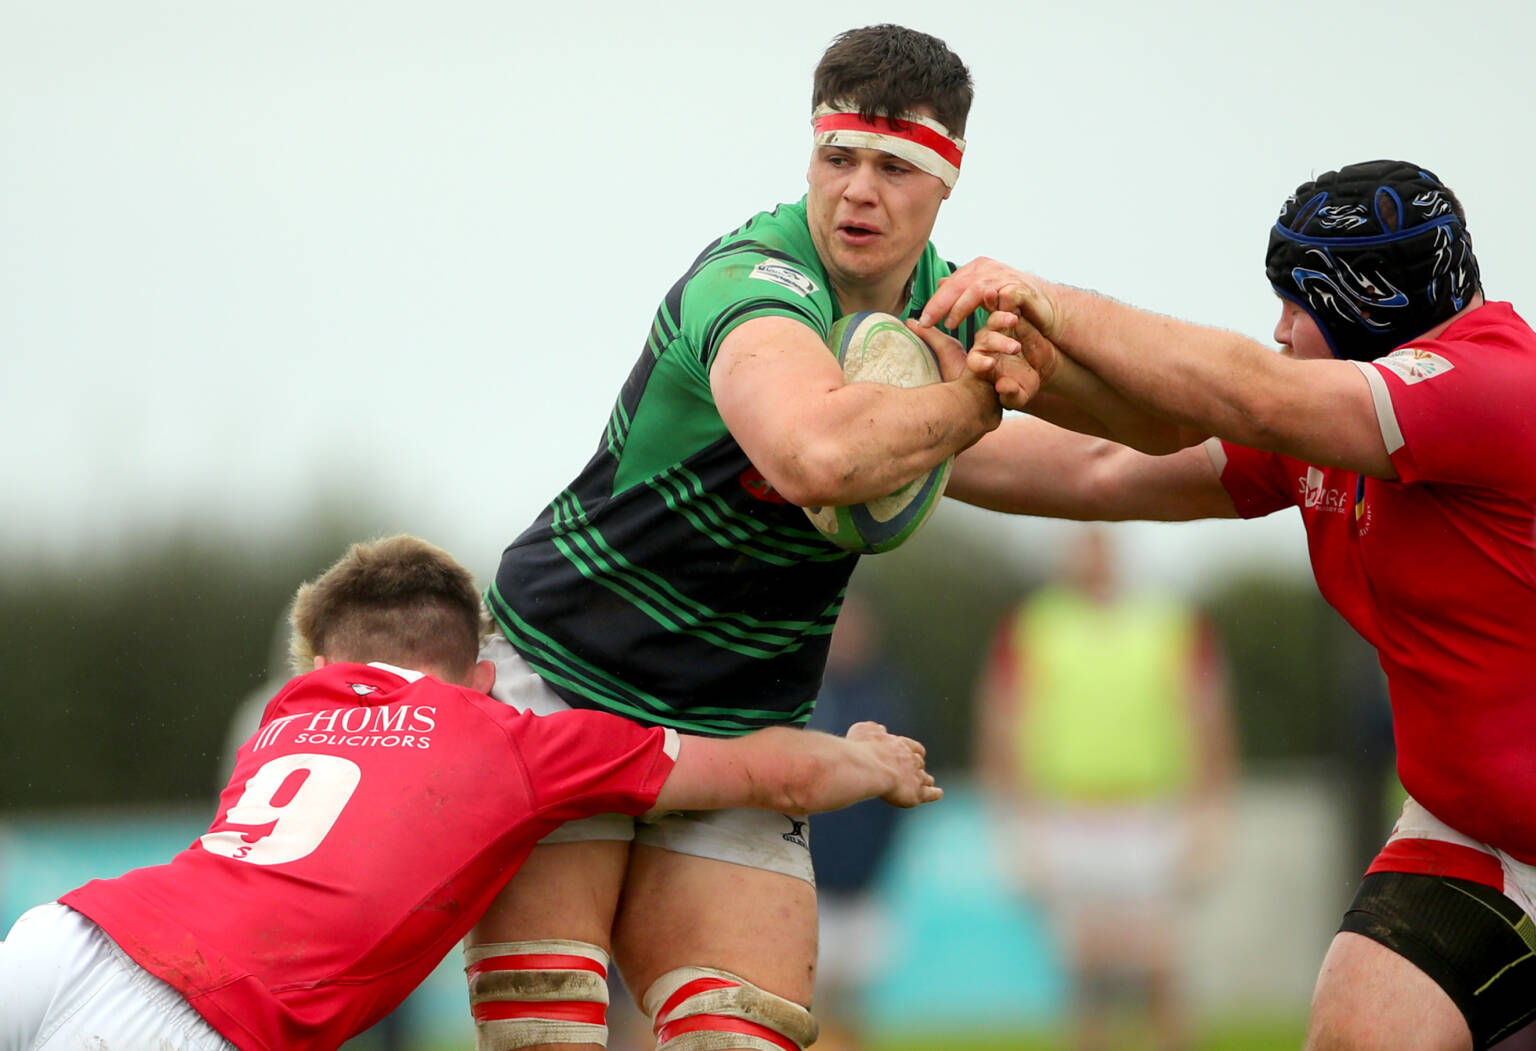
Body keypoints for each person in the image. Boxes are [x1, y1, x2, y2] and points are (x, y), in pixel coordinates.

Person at [916, 159, 1536, 1051]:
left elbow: (1252, 389)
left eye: (1299, 301)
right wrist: (877, 442)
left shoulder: (1488, 386)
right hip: (1469, 831)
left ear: (1371, 304)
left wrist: (1044, 298)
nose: (1279, 330)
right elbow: (1101, 467)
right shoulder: (1316, 427)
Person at [469, 24, 999, 1051]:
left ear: (946, 182)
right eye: (836, 158)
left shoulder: (953, 318)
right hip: (564, 675)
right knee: (550, 1036)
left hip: (741, 724)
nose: (856, 191)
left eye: (894, 168)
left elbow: (1085, 465)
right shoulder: (753, 280)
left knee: (743, 1036)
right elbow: (817, 456)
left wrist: (1266, 455)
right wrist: (976, 407)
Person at [0, 535, 942, 1051]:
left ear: (328, 660)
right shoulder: (509, 740)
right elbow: (757, 769)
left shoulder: (286, 708)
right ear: (482, 674)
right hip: (208, 1014)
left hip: (72, 931)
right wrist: (869, 759)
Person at [975, 525, 1235, 1051]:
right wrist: (1010, 815)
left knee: (1161, 966)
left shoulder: (1170, 621)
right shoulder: (1033, 624)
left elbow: (1209, 719)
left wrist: (1212, 811)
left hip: (1151, 811)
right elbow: (1001, 719)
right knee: (1080, 971)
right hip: (1065, 812)